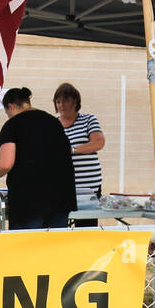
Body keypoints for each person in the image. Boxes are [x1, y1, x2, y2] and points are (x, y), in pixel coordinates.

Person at [0, 87, 76, 230]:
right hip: (61, 197)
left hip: (29, 201)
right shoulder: (53, 122)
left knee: (28, 248)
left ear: (11, 107)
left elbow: (5, 164)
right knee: (54, 248)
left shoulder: (12, 125)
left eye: (7, 113)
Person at [53, 82, 106, 227]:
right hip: (62, 188)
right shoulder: (53, 124)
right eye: (58, 101)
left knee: (85, 227)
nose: (61, 105)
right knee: (60, 225)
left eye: (65, 100)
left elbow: (98, 142)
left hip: (89, 187)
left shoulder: (88, 120)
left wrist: (72, 150)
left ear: (75, 101)